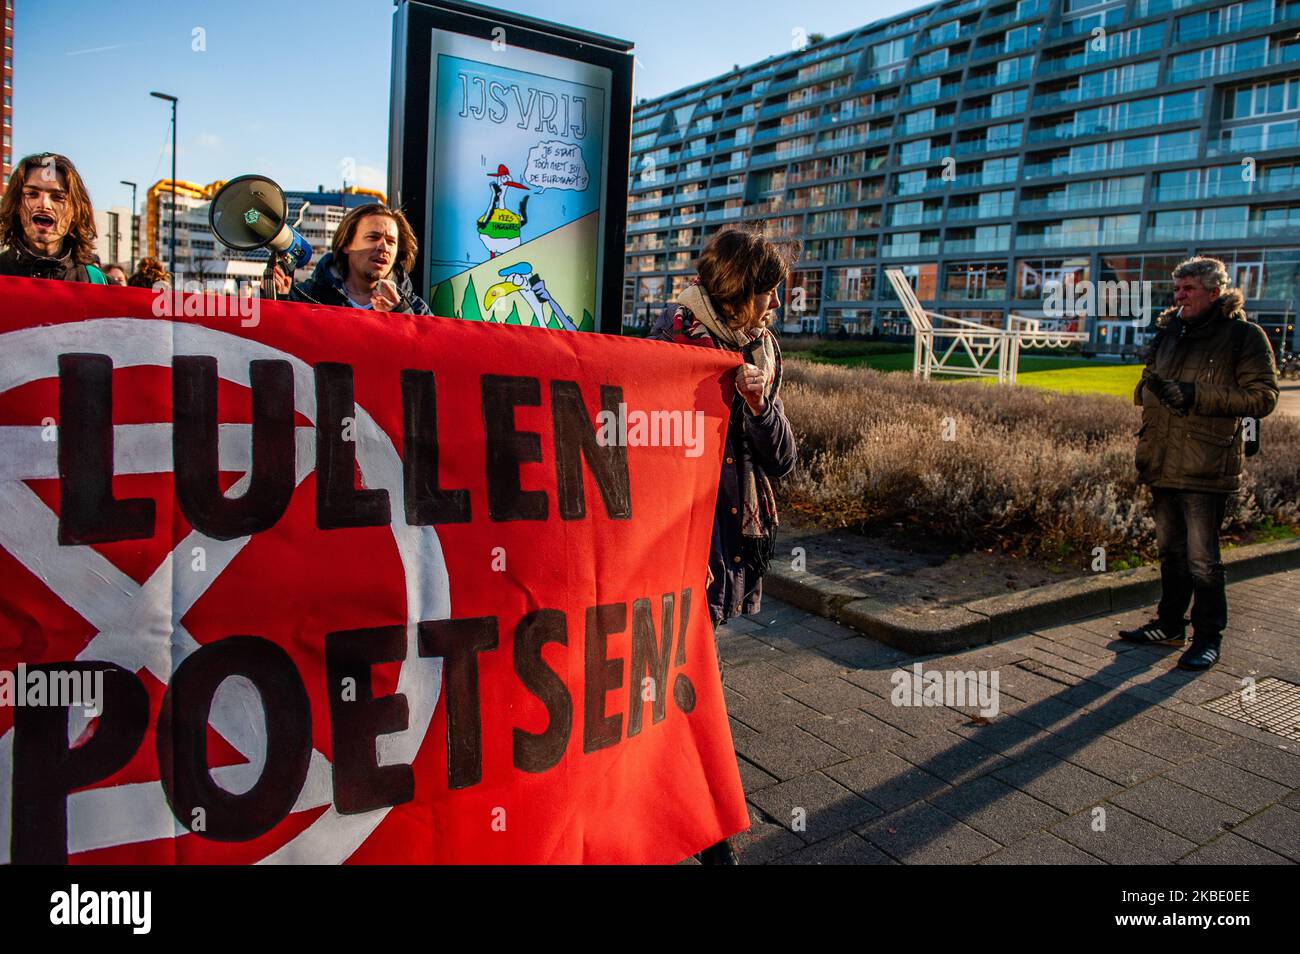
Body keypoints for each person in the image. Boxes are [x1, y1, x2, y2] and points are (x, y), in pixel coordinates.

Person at [649, 226, 799, 864]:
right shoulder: (671, 345)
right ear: (736, 290)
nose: (773, 307)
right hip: (675, 543)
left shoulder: (760, 352)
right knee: (688, 688)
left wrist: (761, 405)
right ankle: (706, 832)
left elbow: (781, 460)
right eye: (766, 293)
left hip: (727, 540)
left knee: (685, 684)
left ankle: (683, 819)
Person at [1120, 256, 1279, 670]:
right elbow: (1158, 389)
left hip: (1206, 465)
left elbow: (1263, 398)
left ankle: (1207, 638)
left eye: (1188, 289)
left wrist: (1194, 394)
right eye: (1177, 289)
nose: (1179, 296)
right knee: (1170, 552)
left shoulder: (1245, 336)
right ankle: (1169, 625)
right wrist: (1150, 389)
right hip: (1162, 460)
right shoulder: (1171, 331)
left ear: (1215, 291)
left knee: (1203, 560)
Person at [276, 203, 430, 315]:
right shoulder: (305, 297)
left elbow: (432, 354)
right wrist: (277, 299)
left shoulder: (416, 309)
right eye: (373, 237)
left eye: (391, 242)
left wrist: (401, 315)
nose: (384, 247)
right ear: (346, 244)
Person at [0, 152, 107, 283]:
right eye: (32, 194)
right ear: (16, 205)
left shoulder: (96, 281)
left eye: (58, 197)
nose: (44, 204)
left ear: (76, 211)